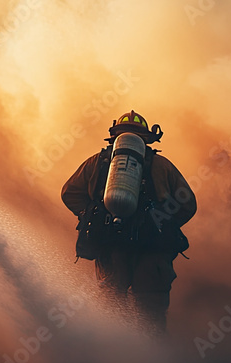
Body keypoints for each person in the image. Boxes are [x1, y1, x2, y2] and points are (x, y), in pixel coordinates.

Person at [62, 111, 196, 334]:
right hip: (153, 252)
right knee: (150, 315)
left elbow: (69, 193)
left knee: (111, 311)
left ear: (114, 136)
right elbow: (188, 204)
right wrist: (163, 224)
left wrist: (91, 213)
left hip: (111, 248)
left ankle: (115, 360)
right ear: (146, 138)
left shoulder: (97, 162)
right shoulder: (162, 165)